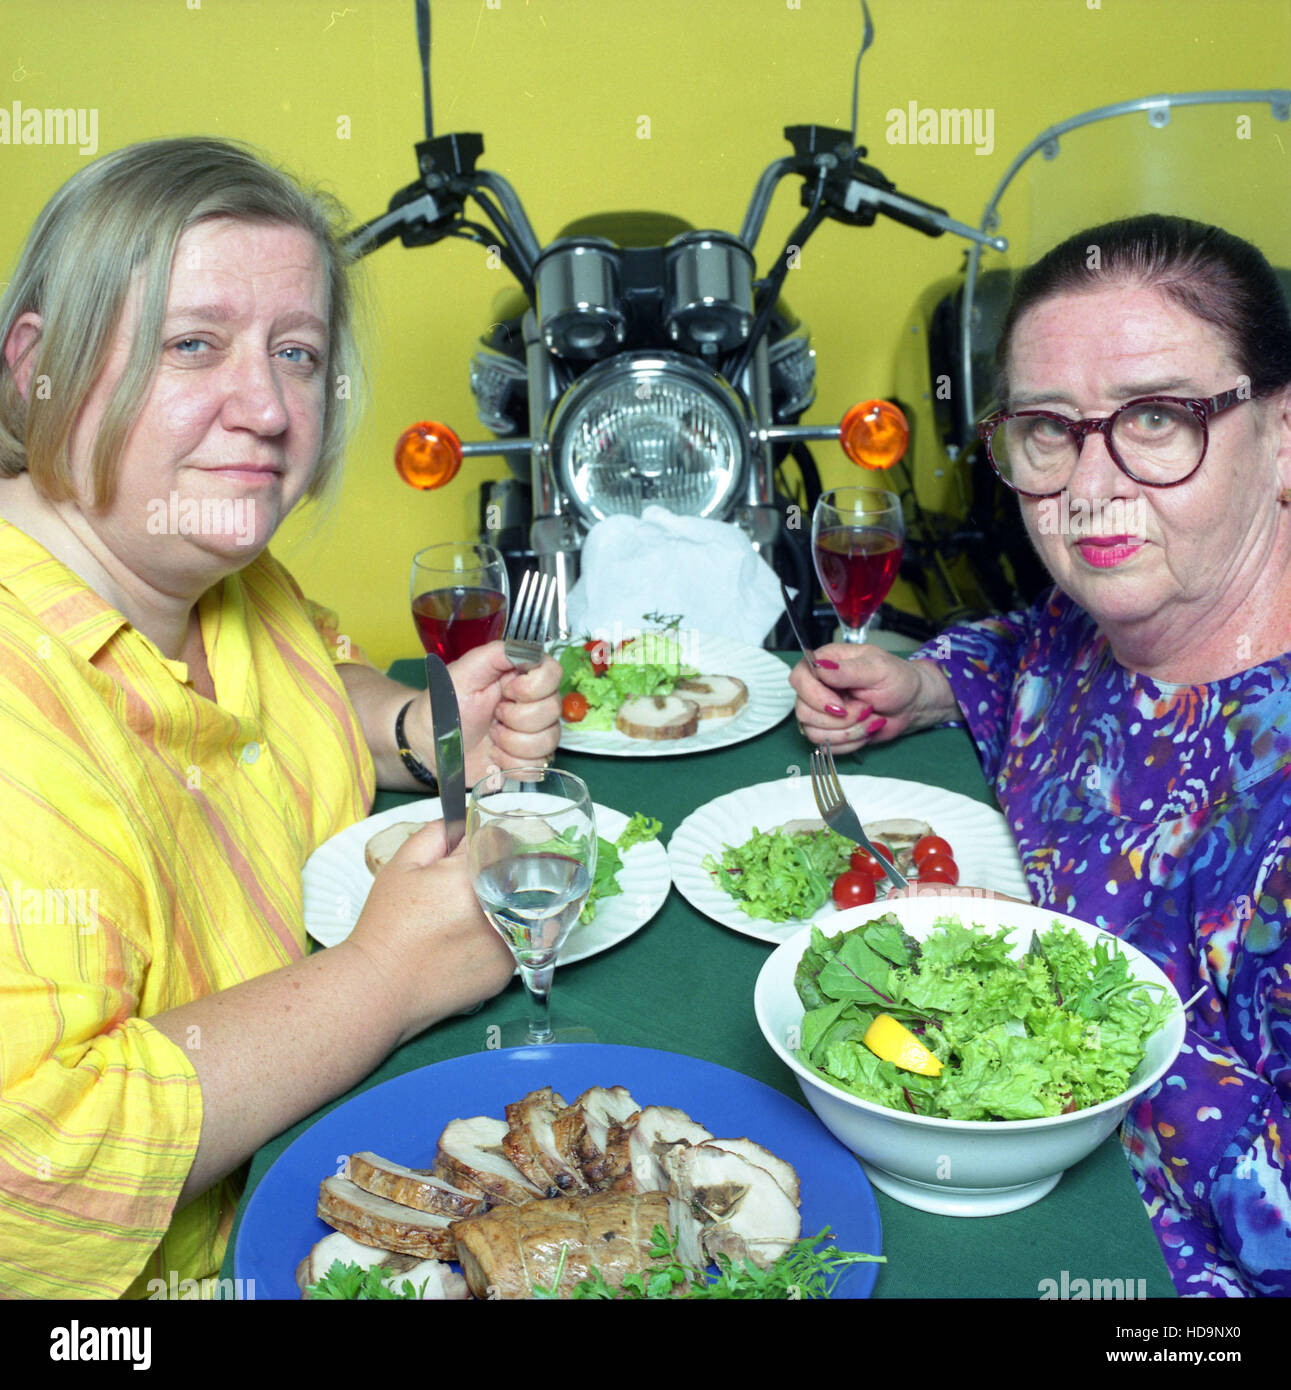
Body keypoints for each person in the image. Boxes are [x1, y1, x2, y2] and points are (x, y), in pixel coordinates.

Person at [0, 137, 562, 1298]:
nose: (264, 407)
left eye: (295, 353)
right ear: (35, 368)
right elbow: (30, 1172)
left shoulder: (208, 576)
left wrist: (418, 722)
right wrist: (387, 977)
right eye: (192, 343)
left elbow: (305, 671)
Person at [793, 214, 1291, 1297]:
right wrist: (924, 683)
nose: (1089, 485)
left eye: (1157, 417)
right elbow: (1029, 645)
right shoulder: (1107, 622)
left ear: (1284, 434)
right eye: (1047, 429)